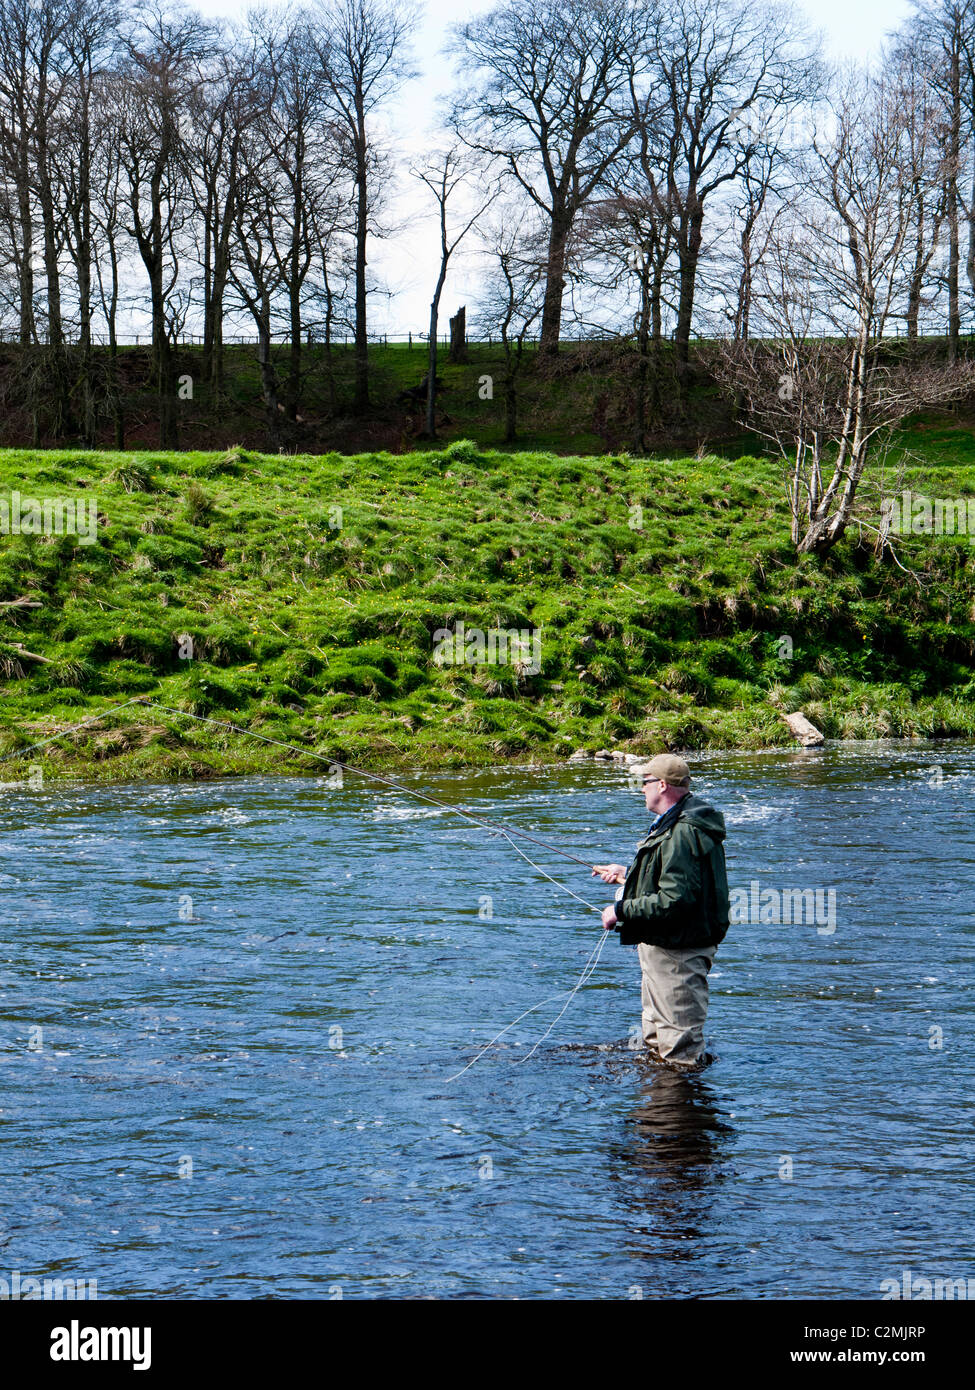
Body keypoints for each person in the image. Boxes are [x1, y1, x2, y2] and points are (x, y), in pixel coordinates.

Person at [592, 754, 729, 1071]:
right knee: (656, 1040)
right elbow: (683, 882)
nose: (641, 789)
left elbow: (675, 900)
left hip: (678, 952)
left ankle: (678, 1118)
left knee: (679, 1053)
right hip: (668, 945)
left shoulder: (682, 832)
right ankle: (657, 1112)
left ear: (662, 785)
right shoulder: (682, 822)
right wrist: (628, 875)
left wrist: (620, 909)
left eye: (644, 782)